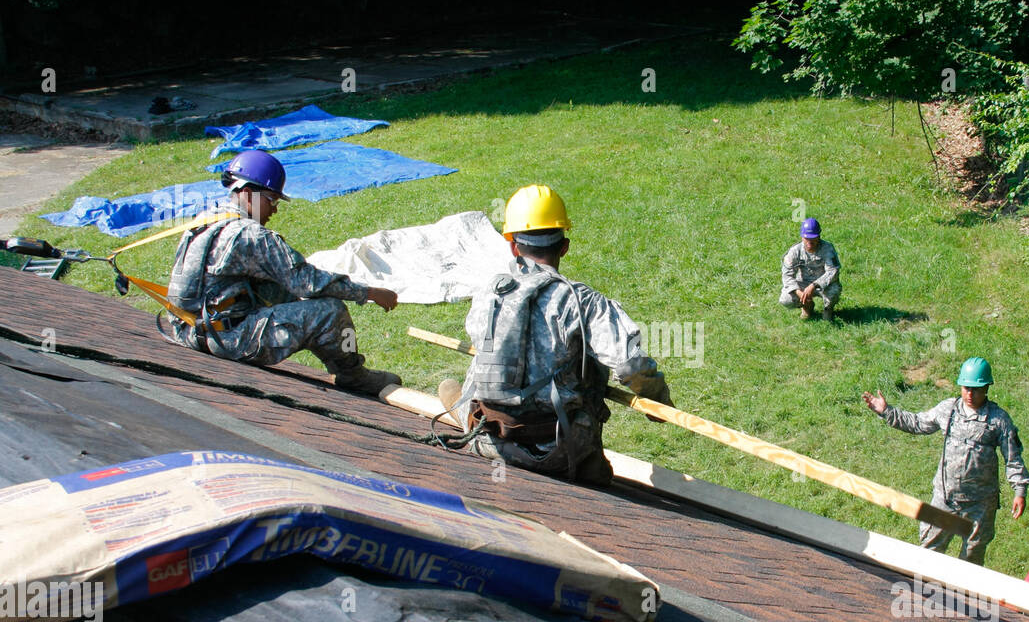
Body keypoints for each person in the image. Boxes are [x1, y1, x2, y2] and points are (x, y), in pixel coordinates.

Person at [438, 184, 672, 484]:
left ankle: (464, 412)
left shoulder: (489, 292)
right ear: (564, 247)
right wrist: (659, 403)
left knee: (453, 385)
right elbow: (630, 366)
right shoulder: (584, 303)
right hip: (557, 452)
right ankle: (585, 460)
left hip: (489, 438)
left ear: (513, 246)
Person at [165, 149, 401, 395]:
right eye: (272, 200)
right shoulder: (250, 235)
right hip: (227, 339)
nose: (274, 209)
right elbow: (308, 282)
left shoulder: (206, 221)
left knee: (280, 290)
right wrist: (370, 292)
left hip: (189, 331)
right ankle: (354, 375)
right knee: (331, 311)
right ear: (248, 193)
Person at [862, 357, 1028, 566]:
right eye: (966, 388)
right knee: (930, 551)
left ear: (986, 388)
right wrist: (886, 411)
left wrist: (1019, 491)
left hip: (981, 504)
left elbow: (1013, 457)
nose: (970, 394)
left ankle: (962, 588)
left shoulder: (999, 420)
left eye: (976, 389)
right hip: (945, 497)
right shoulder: (948, 410)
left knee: (973, 556)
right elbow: (917, 423)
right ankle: (924, 586)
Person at [780, 217, 841, 321]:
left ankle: (828, 310)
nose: (809, 242)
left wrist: (814, 285)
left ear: (819, 236)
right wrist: (799, 292)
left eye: (813, 239)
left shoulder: (827, 248)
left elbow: (833, 271)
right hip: (803, 283)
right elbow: (787, 275)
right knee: (786, 299)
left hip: (823, 284)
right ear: (802, 237)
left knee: (834, 291)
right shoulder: (795, 251)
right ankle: (807, 307)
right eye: (806, 238)